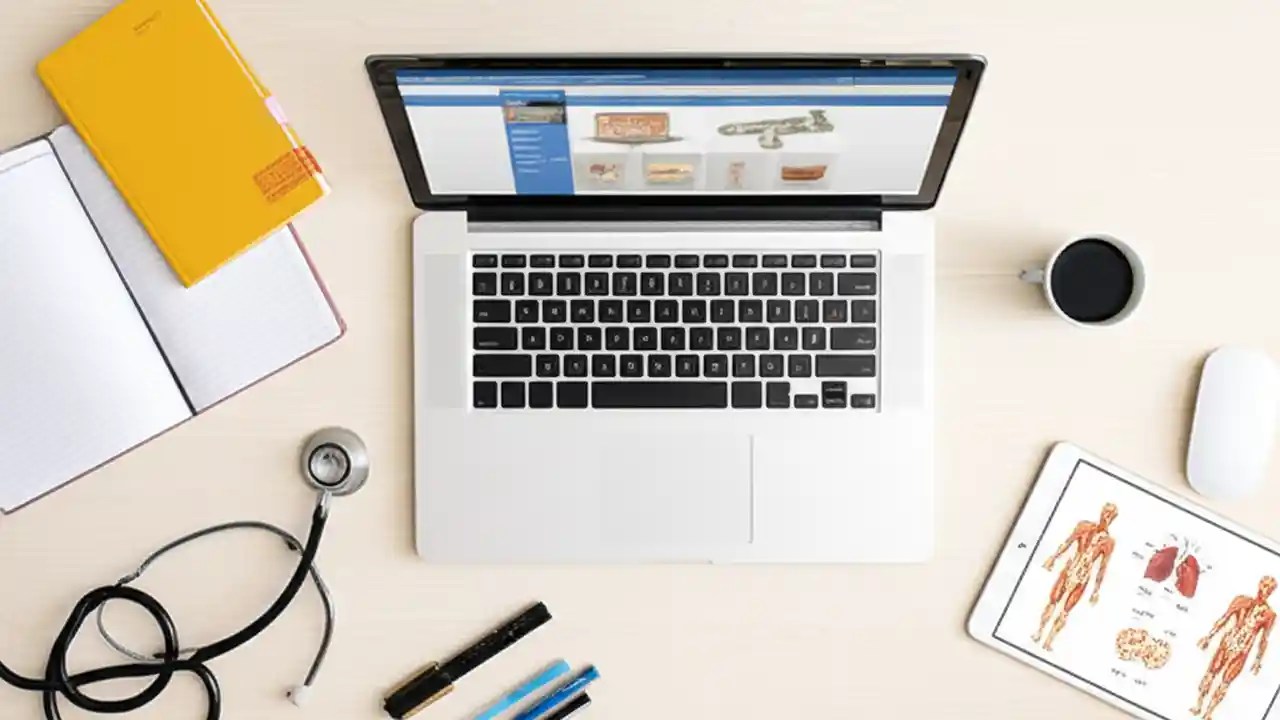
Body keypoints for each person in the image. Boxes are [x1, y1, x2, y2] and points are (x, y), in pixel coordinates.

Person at [1032, 502, 1118, 651]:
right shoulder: (1084, 526)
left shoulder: (1108, 542)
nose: (1106, 517)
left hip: (1083, 576)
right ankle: (1039, 631)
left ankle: (1049, 641)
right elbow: (1068, 542)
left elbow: (1103, 567)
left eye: (1110, 515)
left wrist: (1096, 590)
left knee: (1066, 609)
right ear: (1101, 512)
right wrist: (1054, 557)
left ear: (1113, 519)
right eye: (1105, 512)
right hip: (1070, 568)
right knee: (1053, 600)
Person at [1191, 576, 1277, 720]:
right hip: (1227, 642)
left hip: (1242, 650)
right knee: (1211, 673)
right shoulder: (1241, 600)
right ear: (1259, 584)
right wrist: (1209, 636)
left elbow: (1264, 638)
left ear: (1272, 591)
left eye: (1269, 588)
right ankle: (1199, 705)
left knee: (1226, 681)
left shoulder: (1269, 615)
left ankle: (1209, 713)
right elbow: (1225, 618)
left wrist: (1258, 660)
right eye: (1264, 585)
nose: (1265, 590)